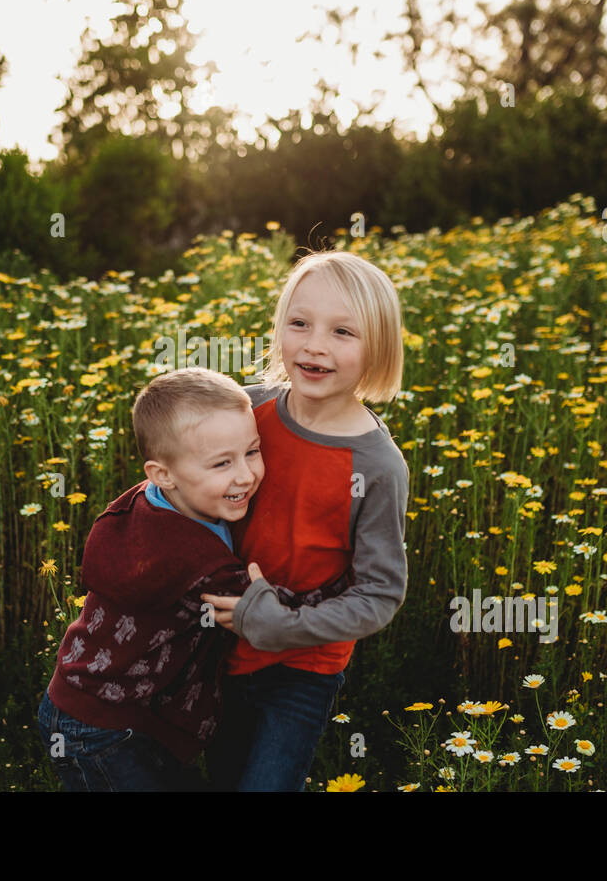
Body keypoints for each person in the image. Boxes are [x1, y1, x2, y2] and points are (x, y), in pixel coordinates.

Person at [201, 249, 410, 791]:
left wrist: (283, 627)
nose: (315, 345)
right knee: (220, 775)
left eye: (343, 331)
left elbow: (381, 594)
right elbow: (181, 478)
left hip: (302, 665)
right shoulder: (245, 413)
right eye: (300, 323)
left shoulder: (377, 466)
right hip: (217, 645)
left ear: (378, 348)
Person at [36, 366, 262, 790]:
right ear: (163, 473)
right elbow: (264, 610)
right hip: (102, 729)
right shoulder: (193, 561)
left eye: (253, 451)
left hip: (93, 705)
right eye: (222, 463)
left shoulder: (150, 500)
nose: (245, 475)